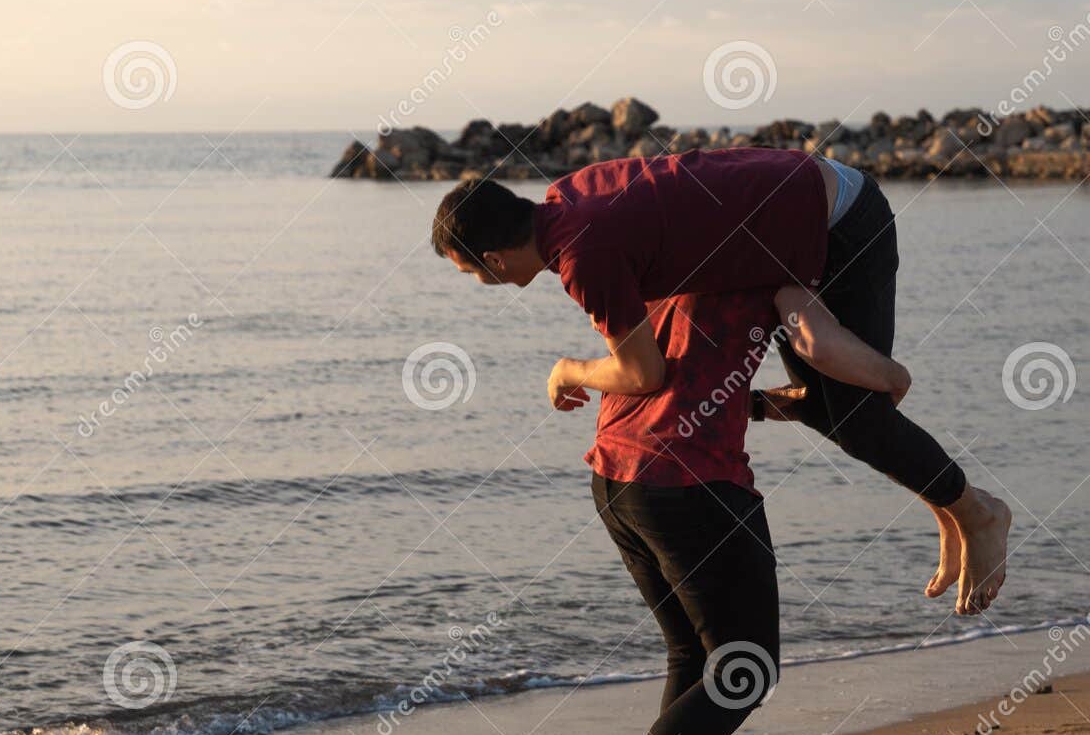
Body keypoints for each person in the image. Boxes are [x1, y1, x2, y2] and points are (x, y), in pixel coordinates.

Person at [430, 149, 1011, 617]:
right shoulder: (568, 198)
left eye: (471, 273)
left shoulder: (584, 254)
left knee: (854, 417)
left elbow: (642, 372)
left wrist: (568, 371)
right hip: (807, 198)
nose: (483, 283)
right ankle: (954, 511)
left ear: (493, 259)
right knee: (829, 407)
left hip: (840, 223)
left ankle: (978, 514)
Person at [572, 287, 784, 735]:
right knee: (750, 666)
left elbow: (680, 376)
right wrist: (885, 381)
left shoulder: (671, 257)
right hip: (693, 485)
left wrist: (762, 404)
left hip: (617, 477)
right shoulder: (771, 260)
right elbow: (831, 360)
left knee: (695, 656)